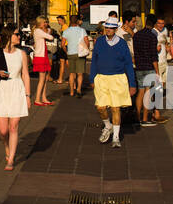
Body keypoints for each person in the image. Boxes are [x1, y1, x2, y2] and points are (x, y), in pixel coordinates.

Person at [0, 26, 31, 170]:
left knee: (13, 127)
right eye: (17, 34)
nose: (19, 37)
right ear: (8, 36)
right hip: (1, 90)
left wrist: (28, 95)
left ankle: (11, 159)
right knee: (3, 131)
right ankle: (6, 146)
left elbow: (25, 74)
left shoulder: (22, 54)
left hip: (17, 89)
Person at [90, 18, 136, 148]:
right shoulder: (99, 42)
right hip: (101, 78)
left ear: (115, 29)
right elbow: (94, 61)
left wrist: (132, 84)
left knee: (116, 108)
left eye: (111, 28)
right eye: (106, 27)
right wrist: (92, 78)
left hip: (117, 78)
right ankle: (108, 125)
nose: (108, 30)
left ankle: (116, 137)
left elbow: (128, 64)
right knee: (100, 107)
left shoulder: (122, 44)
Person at [133, 13, 162, 126]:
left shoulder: (136, 35)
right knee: (148, 93)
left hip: (139, 66)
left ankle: (138, 118)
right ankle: (145, 119)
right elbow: (154, 56)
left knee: (140, 92)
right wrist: (157, 71)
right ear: (154, 24)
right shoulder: (152, 36)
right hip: (149, 67)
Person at [63, 15, 90, 97]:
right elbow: (87, 42)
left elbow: (62, 44)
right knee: (80, 73)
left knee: (71, 73)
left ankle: (71, 92)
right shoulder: (82, 30)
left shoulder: (66, 31)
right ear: (77, 21)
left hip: (71, 53)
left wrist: (66, 51)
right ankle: (78, 89)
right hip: (80, 54)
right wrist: (86, 49)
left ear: (70, 21)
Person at [30, 16, 55, 107]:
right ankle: (37, 99)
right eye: (44, 22)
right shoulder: (38, 31)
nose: (46, 24)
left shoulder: (38, 31)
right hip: (40, 57)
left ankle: (43, 98)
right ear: (40, 22)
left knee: (44, 79)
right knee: (42, 79)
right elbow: (50, 37)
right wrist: (47, 30)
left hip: (42, 56)